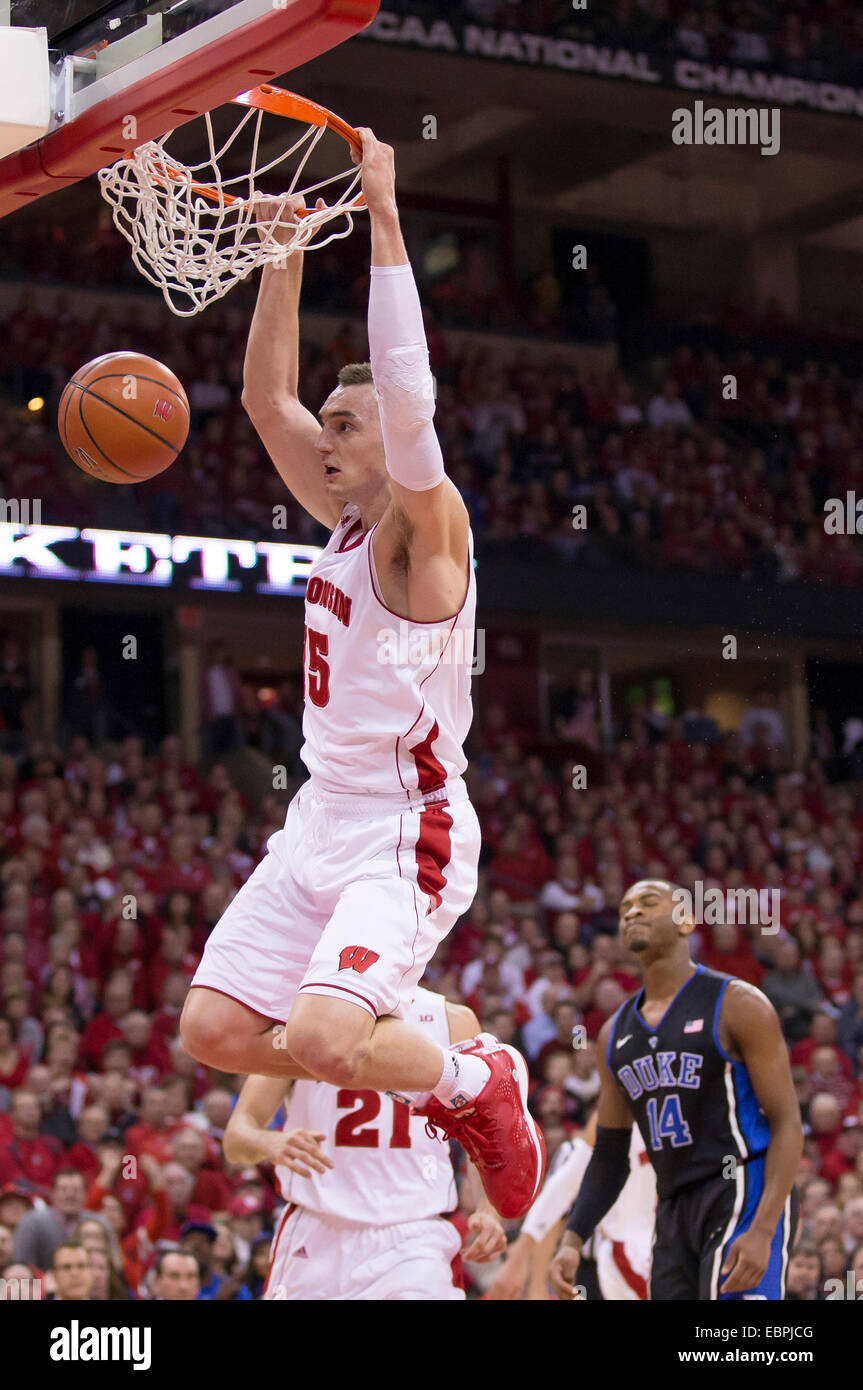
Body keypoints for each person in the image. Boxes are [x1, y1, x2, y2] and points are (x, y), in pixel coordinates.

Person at [181, 127, 544, 1219]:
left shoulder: (424, 534)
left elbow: (406, 391)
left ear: (395, 430)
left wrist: (383, 216)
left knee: (332, 1035)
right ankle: (427, 1034)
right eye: (329, 424)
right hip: (318, 820)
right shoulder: (345, 516)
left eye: (347, 424)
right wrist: (282, 254)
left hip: (406, 828)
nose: (323, 437)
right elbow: (261, 400)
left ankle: (470, 1078)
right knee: (210, 1029)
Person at [550, 880, 803, 1301]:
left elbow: (788, 1123)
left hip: (740, 1186)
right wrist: (572, 1239)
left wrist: (763, 1229)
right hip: (671, 1205)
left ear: (686, 919)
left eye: (648, 903)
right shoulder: (614, 1033)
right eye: (625, 907)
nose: (631, 912)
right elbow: (611, 1155)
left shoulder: (738, 1003)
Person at [224, 989, 506, 1299]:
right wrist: (269, 1142)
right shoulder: (301, 1020)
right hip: (317, 1231)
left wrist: (487, 1208)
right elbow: (236, 1138)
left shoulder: (453, 1021)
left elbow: (484, 1130)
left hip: (414, 1237)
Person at [488, 1110, 655, 1301]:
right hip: (614, 1258)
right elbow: (558, 1205)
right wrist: (529, 1273)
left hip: (665, 1245)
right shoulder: (606, 1121)